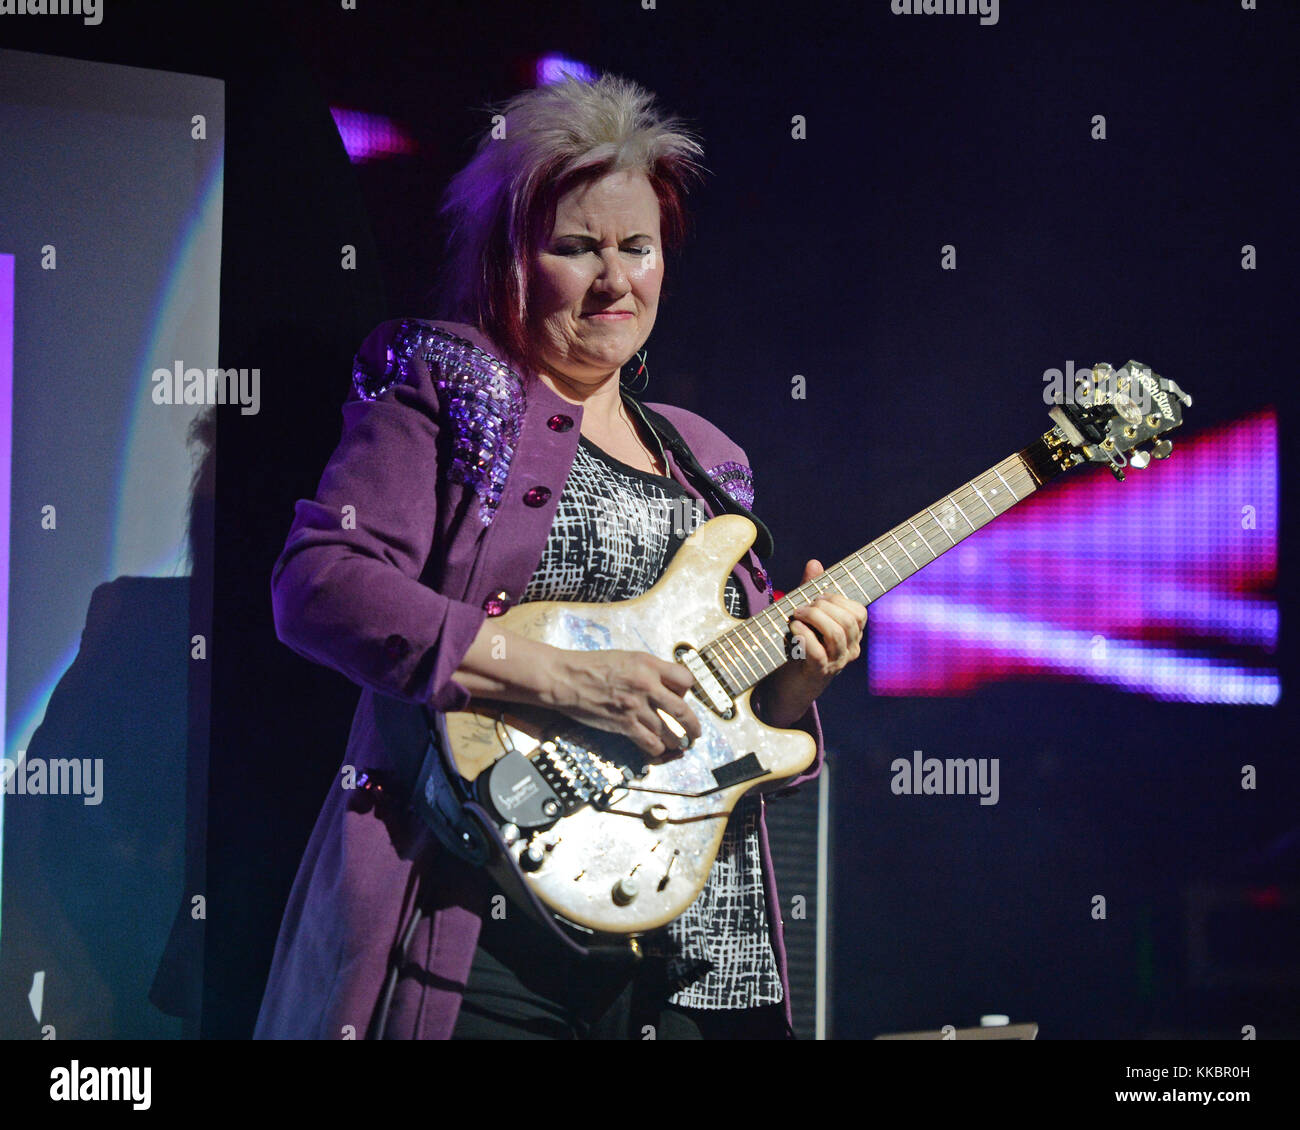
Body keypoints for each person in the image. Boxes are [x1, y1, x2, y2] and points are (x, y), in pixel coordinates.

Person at [254, 73, 867, 1041]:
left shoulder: (706, 457)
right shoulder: (446, 381)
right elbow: (317, 583)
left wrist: (792, 682)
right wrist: (569, 680)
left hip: (699, 947)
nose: (614, 279)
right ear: (507, 260)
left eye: (638, 247)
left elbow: (728, 724)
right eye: (576, 247)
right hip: (493, 934)